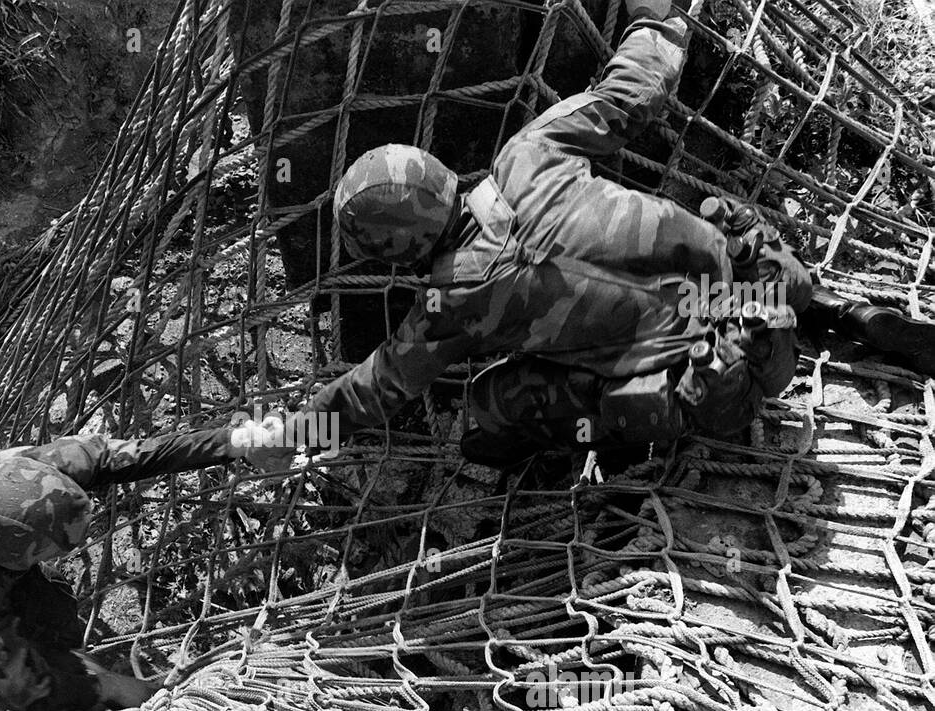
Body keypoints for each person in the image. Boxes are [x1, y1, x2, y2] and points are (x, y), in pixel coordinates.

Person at [254, 0, 928, 471]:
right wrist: (656, 14)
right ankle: (835, 312)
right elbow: (638, 84)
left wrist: (291, 434)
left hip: (725, 388)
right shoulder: (528, 152)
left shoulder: (448, 307)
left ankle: (606, 441)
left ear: (389, 254)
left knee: (489, 411)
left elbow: (371, 391)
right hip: (764, 293)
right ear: (435, 175)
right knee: (704, 228)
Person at [0, 416, 282, 711]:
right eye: (48, 551)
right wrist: (106, 685)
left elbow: (137, 455)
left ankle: (59, 658)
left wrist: (238, 441)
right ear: (12, 555)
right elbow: (17, 683)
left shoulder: (34, 470)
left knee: (56, 612)